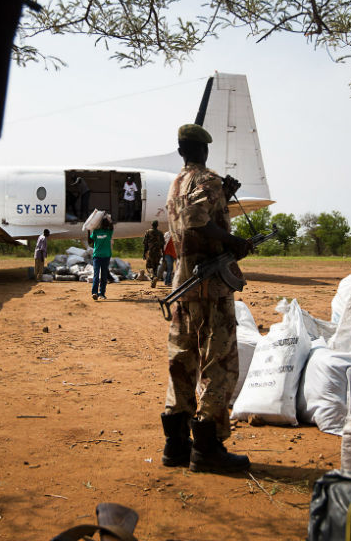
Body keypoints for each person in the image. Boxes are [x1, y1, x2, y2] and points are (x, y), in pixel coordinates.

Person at [161, 123, 252, 474]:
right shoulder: (208, 179)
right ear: (204, 150)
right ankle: (208, 447)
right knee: (220, 362)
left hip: (183, 283)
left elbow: (188, 220)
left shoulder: (176, 184)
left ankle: (176, 445)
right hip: (211, 286)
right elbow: (198, 222)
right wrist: (234, 243)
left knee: (182, 360)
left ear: (181, 150)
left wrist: (223, 198)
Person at [89, 214, 113, 300]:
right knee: (100, 276)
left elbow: (90, 241)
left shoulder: (107, 232)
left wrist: (107, 218)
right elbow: (90, 241)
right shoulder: (100, 232)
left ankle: (100, 293)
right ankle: (96, 293)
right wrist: (89, 230)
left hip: (101, 256)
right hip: (100, 256)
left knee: (101, 276)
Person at [143, 220, 164, 285]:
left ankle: (153, 276)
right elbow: (162, 244)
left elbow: (145, 243)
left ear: (152, 225)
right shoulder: (160, 233)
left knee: (149, 266)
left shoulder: (148, 232)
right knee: (156, 265)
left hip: (151, 252)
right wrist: (163, 253)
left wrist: (144, 253)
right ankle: (155, 276)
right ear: (157, 225)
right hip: (158, 252)